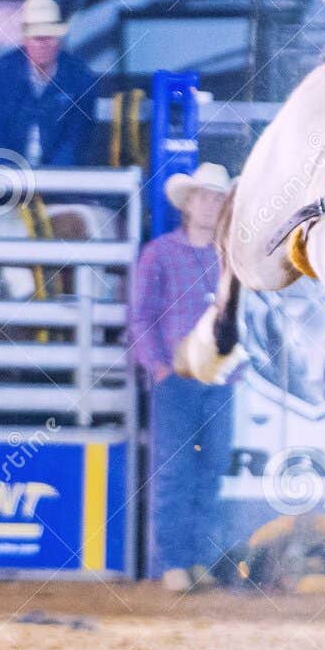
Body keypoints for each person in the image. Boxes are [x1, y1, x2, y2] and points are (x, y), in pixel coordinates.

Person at [130, 163, 235, 588]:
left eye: (217, 198)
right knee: (174, 471)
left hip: (219, 379)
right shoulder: (160, 254)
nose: (210, 204)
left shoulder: (229, 256)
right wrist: (158, 368)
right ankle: (174, 562)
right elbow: (141, 317)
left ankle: (197, 559)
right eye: (204, 196)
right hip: (176, 379)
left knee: (211, 468)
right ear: (188, 204)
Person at [0, 0, 98, 169]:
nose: (43, 44)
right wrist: (9, 176)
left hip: (62, 178)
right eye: (36, 38)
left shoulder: (80, 77)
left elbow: (76, 140)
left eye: (49, 37)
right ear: (25, 40)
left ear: (59, 40)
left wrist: (53, 179)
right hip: (5, 176)